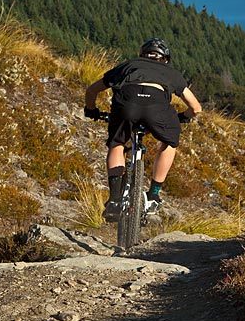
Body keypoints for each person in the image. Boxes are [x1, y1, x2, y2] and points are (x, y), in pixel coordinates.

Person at [83, 38, 202, 217]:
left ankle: (115, 200)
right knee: (170, 142)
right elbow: (196, 108)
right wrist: (181, 118)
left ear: (142, 55)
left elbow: (91, 90)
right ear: (165, 58)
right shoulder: (171, 73)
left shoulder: (127, 66)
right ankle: (153, 195)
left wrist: (91, 110)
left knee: (117, 144)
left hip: (127, 104)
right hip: (157, 108)